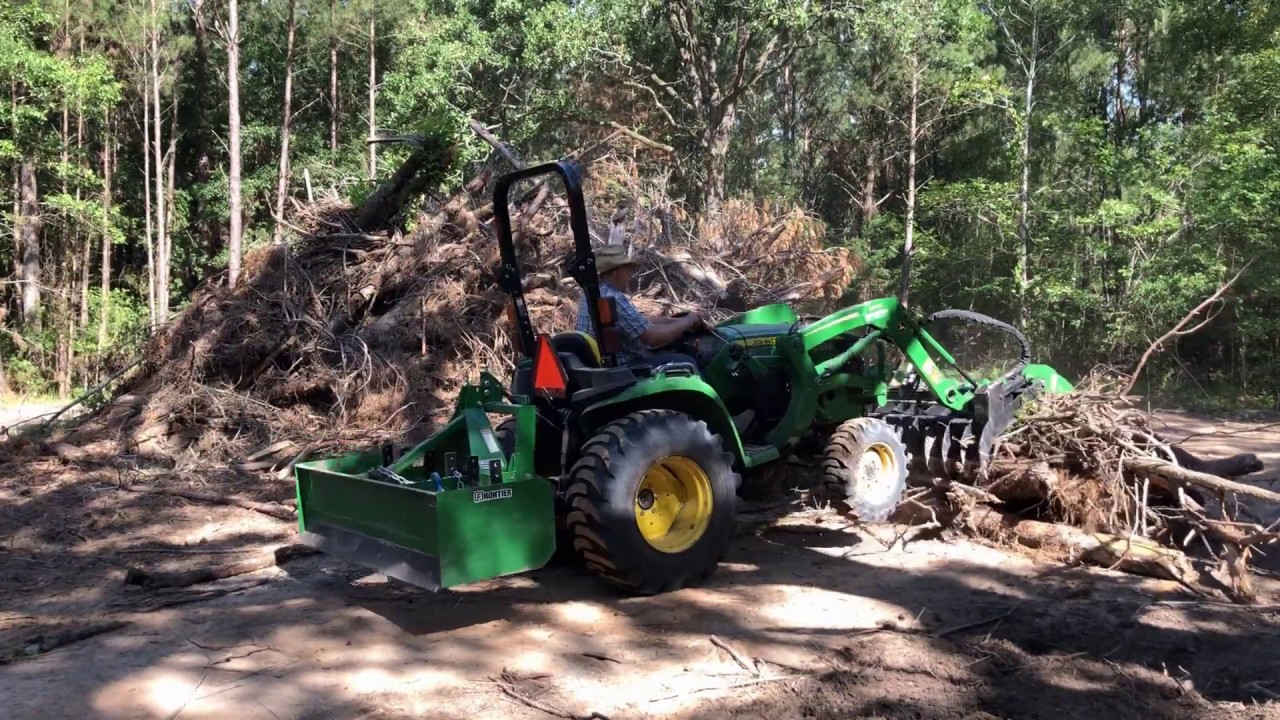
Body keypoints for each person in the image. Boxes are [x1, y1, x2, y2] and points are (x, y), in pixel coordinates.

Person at [576, 244, 704, 367]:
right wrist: (688, 321)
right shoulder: (613, 297)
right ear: (619, 271)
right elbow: (652, 338)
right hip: (623, 368)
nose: (630, 276)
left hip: (599, 367)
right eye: (629, 270)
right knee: (687, 361)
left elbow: (639, 322)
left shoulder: (590, 296)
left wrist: (677, 320)